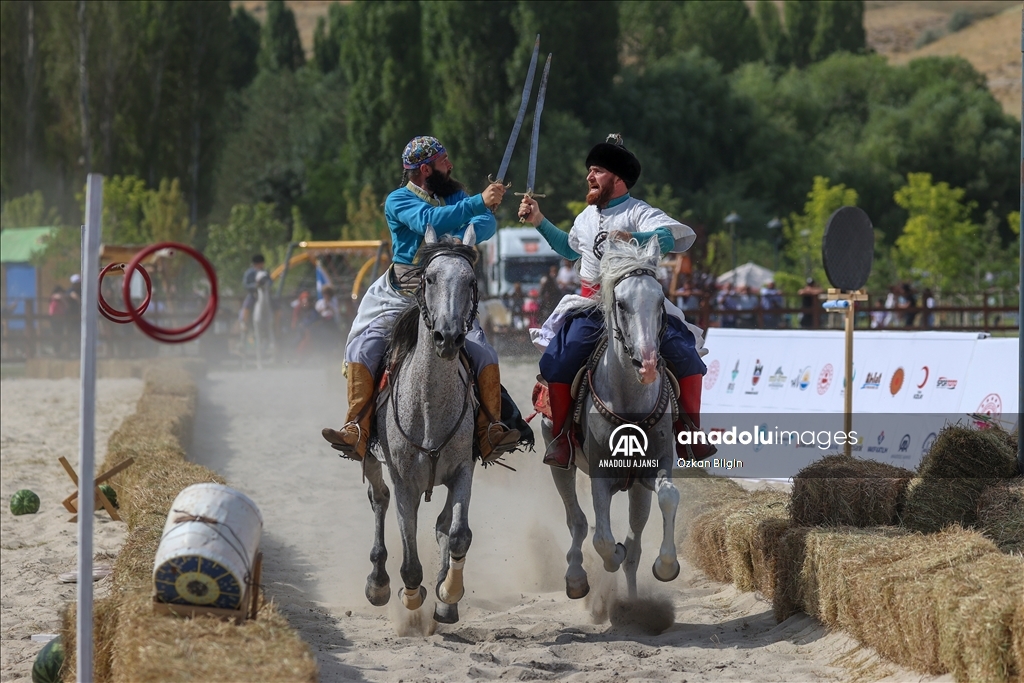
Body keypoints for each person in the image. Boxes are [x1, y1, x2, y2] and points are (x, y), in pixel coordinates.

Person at [321, 135, 521, 464]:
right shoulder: (398, 199)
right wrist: (476, 204)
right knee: (363, 349)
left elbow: (486, 223)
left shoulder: (453, 196)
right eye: (444, 161)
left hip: (448, 295)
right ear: (426, 169)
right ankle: (356, 427)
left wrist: (471, 220)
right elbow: (428, 221)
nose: (450, 165)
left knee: (483, 350)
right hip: (402, 296)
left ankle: (490, 430)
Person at [518, 134, 709, 468]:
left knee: (686, 355)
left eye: (597, 171)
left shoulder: (639, 212)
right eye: (590, 171)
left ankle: (689, 433)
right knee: (559, 360)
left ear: (617, 178)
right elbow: (570, 249)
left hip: (639, 308)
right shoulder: (585, 217)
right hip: (591, 306)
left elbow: (668, 238)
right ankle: (562, 437)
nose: (589, 177)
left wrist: (636, 237)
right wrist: (538, 220)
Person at [241, 254, 266, 326]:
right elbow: (245, 285)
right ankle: (244, 324)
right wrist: (255, 285)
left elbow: (270, 281)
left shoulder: (265, 272)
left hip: (265, 294)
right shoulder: (249, 273)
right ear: (256, 264)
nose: (262, 265)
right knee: (247, 306)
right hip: (253, 294)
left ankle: (277, 328)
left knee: (277, 306)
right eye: (260, 263)